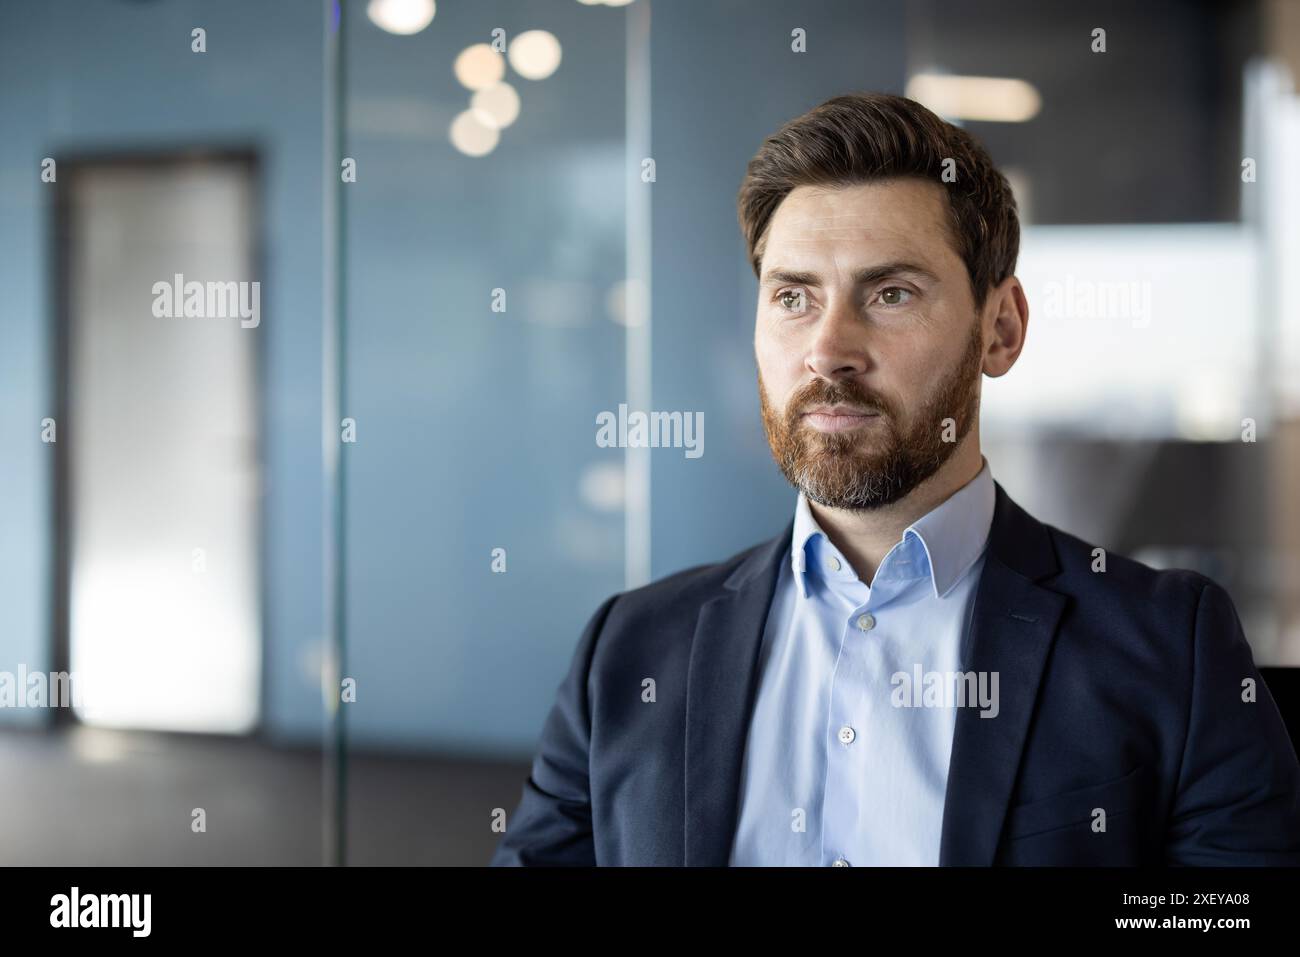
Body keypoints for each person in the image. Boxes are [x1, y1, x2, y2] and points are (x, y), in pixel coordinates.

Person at [490, 92, 1300, 866]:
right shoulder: (626, 651)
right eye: (794, 297)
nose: (830, 348)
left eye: (891, 292)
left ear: (1002, 328)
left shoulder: (1168, 647)